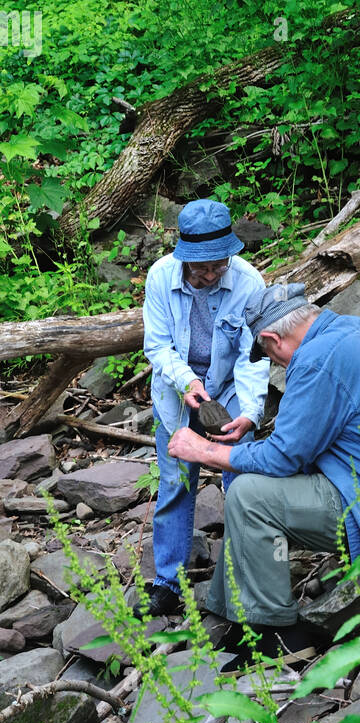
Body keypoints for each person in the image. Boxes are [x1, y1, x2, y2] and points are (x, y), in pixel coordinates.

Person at [166, 282, 360, 664]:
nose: (274, 363)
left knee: (251, 495)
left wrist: (206, 451)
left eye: (268, 354)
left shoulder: (317, 359)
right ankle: (239, 614)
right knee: (254, 483)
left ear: (272, 339)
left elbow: (283, 457)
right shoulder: (353, 331)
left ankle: (276, 635)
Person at [138, 199, 269, 617]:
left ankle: (241, 575)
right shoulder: (159, 277)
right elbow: (156, 345)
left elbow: (254, 357)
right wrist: (188, 382)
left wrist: (249, 414)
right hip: (175, 392)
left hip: (230, 389)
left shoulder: (249, 283)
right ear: (184, 257)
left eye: (219, 265)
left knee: (240, 482)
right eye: (201, 268)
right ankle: (167, 583)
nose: (211, 274)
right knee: (176, 484)